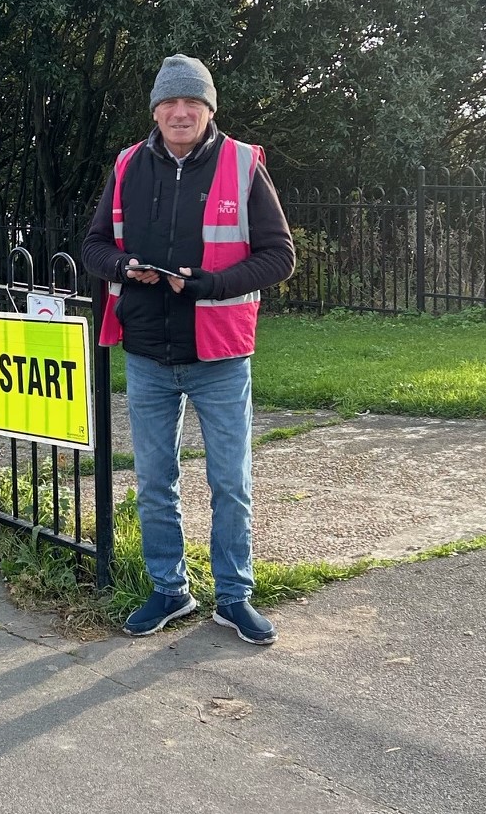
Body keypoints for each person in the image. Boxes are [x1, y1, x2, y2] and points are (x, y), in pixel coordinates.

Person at [81, 53, 295, 645]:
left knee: (230, 481)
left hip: (220, 355)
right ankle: (169, 590)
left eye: (192, 103)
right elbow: (95, 247)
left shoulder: (244, 164)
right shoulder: (128, 165)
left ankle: (234, 596)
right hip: (148, 353)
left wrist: (209, 284)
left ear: (208, 110)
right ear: (156, 110)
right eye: (170, 103)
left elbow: (280, 256)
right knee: (155, 480)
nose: (180, 113)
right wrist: (124, 266)